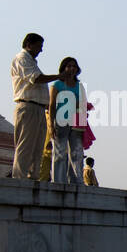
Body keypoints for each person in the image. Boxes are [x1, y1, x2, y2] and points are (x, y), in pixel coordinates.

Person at [9, 34, 58, 180]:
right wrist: (59, 76)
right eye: (39, 46)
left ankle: (32, 178)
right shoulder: (22, 59)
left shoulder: (31, 62)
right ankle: (19, 179)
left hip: (38, 108)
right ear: (29, 44)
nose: (41, 50)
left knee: (37, 148)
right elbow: (36, 79)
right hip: (27, 106)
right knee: (25, 146)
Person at [48, 56, 87, 184]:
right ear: (63, 68)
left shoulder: (79, 86)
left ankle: (76, 180)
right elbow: (52, 105)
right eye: (69, 66)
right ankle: (58, 181)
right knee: (60, 152)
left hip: (75, 122)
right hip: (60, 120)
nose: (72, 68)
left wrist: (83, 126)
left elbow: (82, 106)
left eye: (74, 66)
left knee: (77, 152)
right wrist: (50, 124)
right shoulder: (57, 84)